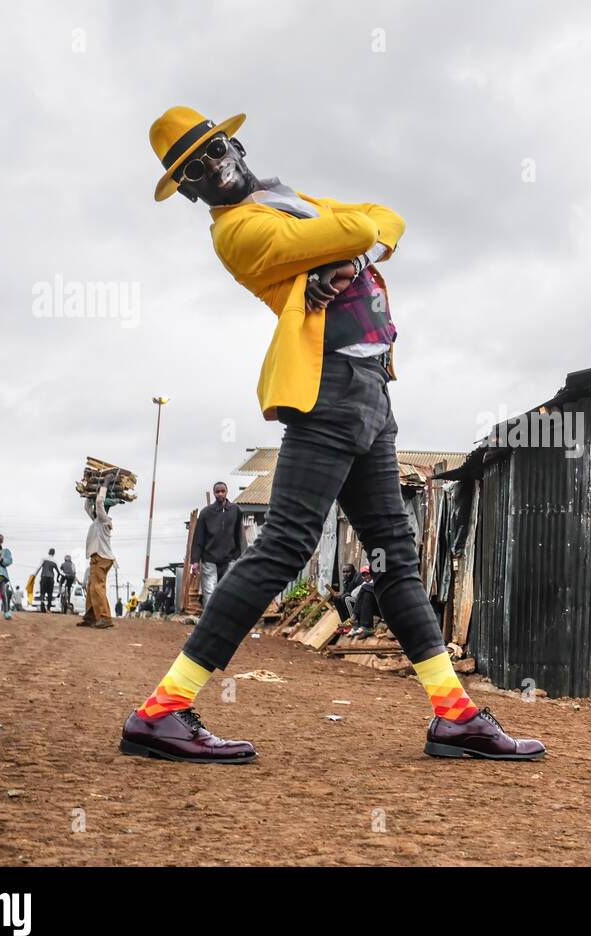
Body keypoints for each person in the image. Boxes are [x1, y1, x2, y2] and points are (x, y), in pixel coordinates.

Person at [121, 107, 544, 765]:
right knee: (286, 544)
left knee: (396, 557)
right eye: (192, 174)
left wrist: (350, 244)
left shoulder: (289, 196)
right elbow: (356, 226)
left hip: (371, 390)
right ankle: (162, 711)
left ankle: (455, 717)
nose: (210, 169)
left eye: (211, 152)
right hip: (328, 391)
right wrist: (350, 241)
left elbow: (386, 217)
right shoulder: (237, 231)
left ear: (232, 142)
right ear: (190, 193)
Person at [192, 481, 246, 608]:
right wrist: (195, 561)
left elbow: (240, 535)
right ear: (214, 493)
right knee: (209, 591)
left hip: (230, 558)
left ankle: (224, 620)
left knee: (228, 591)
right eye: (217, 491)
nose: (220, 494)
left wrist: (242, 557)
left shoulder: (236, 510)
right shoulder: (206, 513)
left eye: (223, 491)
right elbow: (198, 538)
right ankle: (209, 621)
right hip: (210, 558)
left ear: (227, 492)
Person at [79, 475, 118, 629]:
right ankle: (90, 617)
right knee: (91, 587)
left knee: (97, 587)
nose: (95, 510)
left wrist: (105, 484)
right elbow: (88, 507)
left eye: (98, 509)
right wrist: (88, 491)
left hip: (102, 558)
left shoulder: (105, 520)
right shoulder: (96, 520)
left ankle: (104, 617)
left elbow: (99, 502)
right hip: (97, 557)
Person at [37, 548, 60, 613]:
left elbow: (38, 567)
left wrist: (34, 575)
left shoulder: (44, 559)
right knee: (50, 593)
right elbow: (59, 572)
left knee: (42, 592)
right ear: (54, 553)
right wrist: (58, 579)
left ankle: (42, 604)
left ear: (48, 552)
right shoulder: (55, 561)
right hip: (51, 578)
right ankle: (48, 609)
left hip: (44, 577)